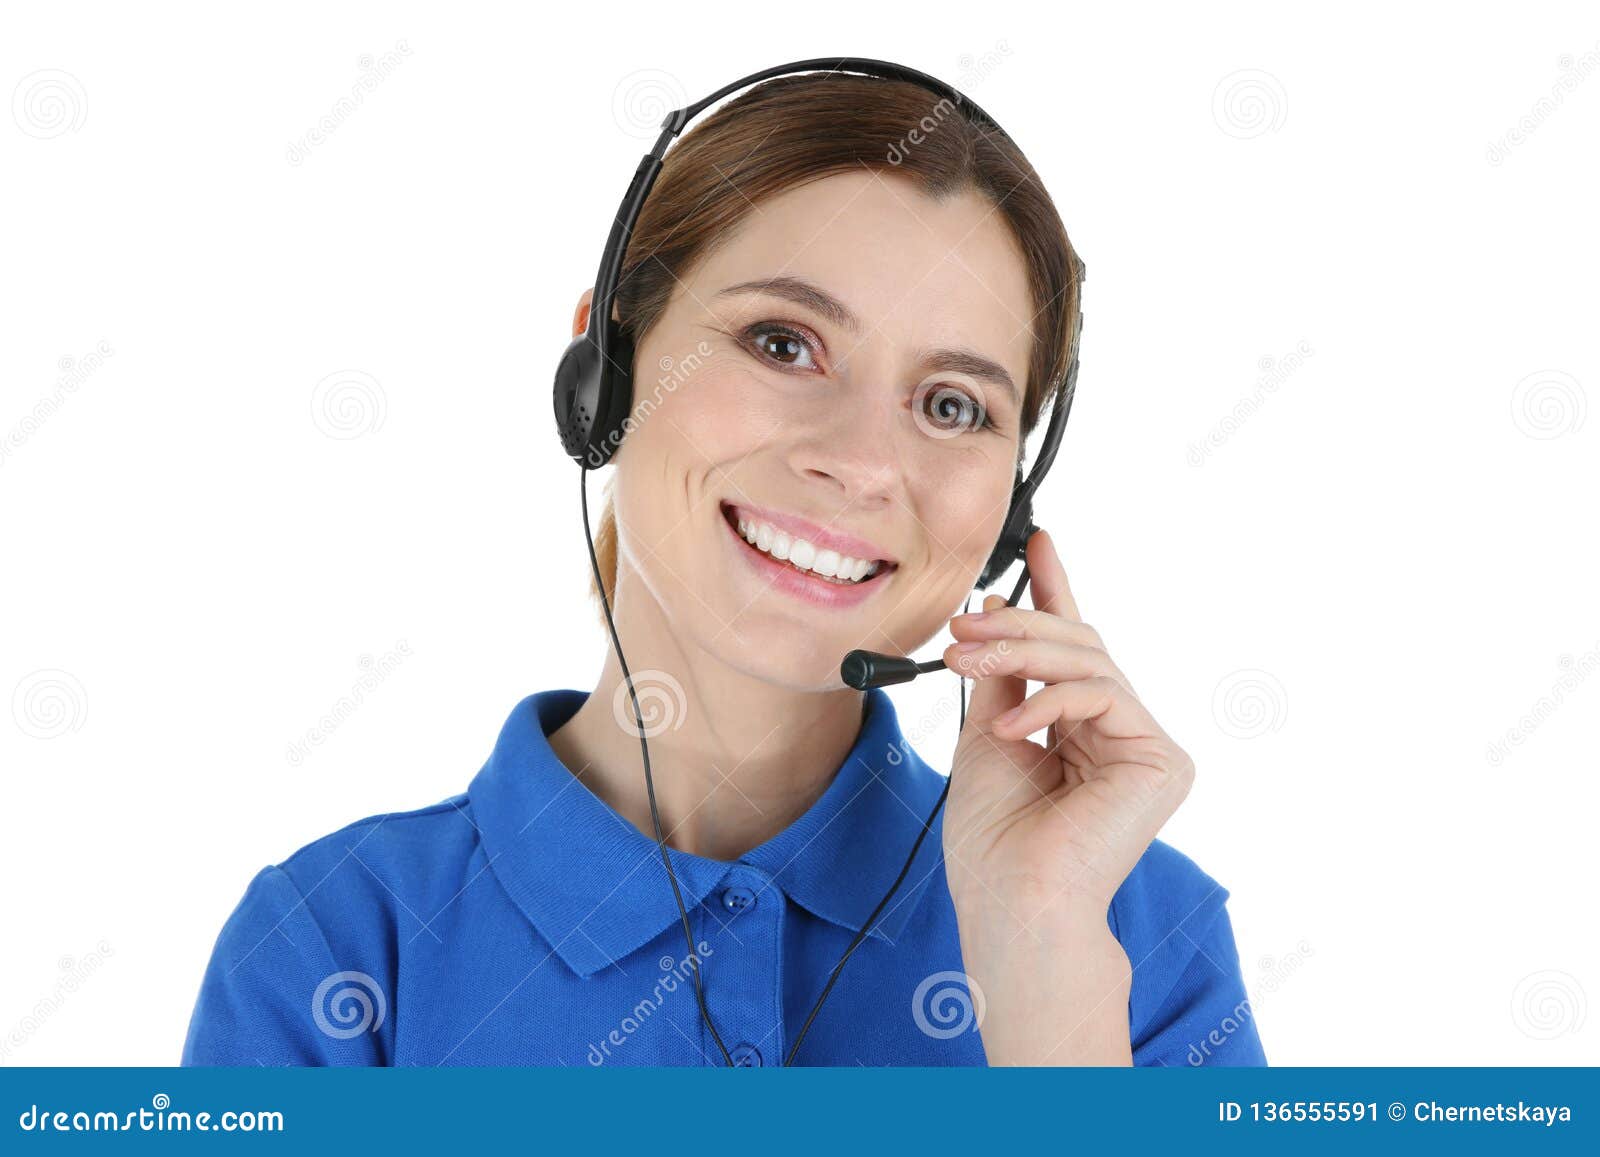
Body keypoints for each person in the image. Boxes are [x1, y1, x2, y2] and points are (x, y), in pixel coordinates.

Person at [182, 67, 1266, 1067]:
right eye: (783, 342)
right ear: (608, 364)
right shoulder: (336, 944)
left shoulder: (1132, 932)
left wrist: (1048, 993)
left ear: (1007, 509)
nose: (858, 462)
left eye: (951, 405)